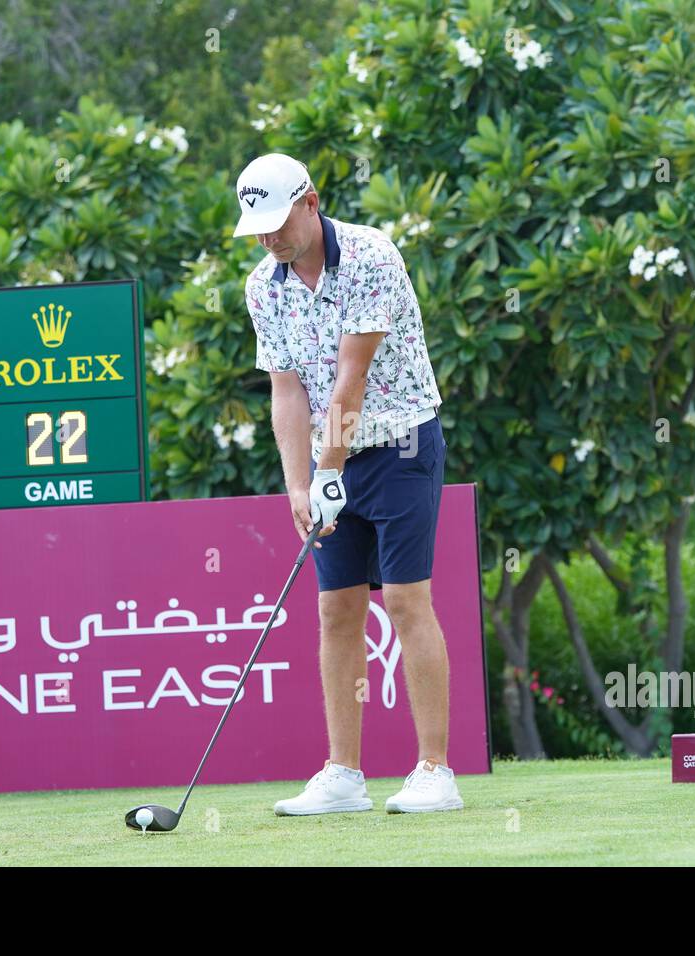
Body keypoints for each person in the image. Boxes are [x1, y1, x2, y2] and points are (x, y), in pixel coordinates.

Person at [234, 152, 463, 814]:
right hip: (331, 456)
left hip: (401, 443)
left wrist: (328, 468)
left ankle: (435, 771)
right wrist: (299, 485)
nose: (269, 238)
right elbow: (285, 390)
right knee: (335, 608)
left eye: (278, 221)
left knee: (405, 599)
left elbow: (350, 376)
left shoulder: (370, 255)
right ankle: (343, 776)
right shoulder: (262, 286)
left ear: (312, 202)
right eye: (258, 226)